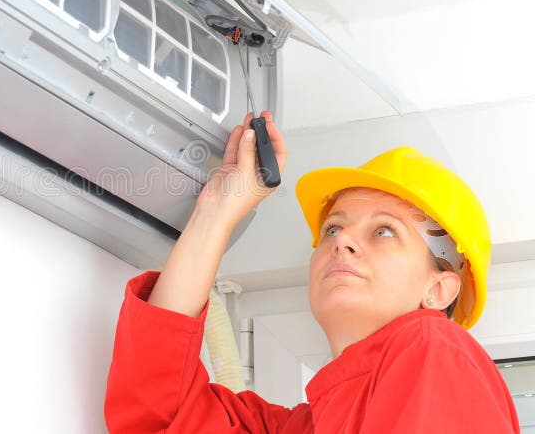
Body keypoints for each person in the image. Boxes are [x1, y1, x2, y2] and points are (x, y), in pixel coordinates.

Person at [104, 111, 519, 433]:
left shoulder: (436, 350)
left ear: (439, 289)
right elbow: (158, 414)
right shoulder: (306, 428)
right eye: (333, 228)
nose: (341, 241)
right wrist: (218, 211)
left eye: (383, 231)